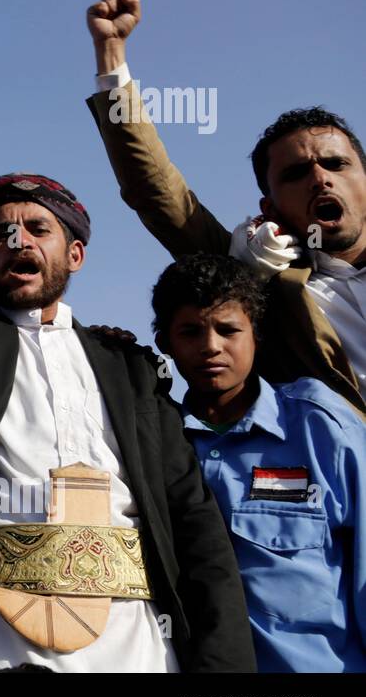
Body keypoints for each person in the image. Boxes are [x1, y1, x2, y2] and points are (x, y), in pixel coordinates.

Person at [0, 25, 254, 672]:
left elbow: (195, 528)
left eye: (37, 228)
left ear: (74, 253)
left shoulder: (128, 371)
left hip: (135, 651)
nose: (17, 241)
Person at [85, 0, 366, 417]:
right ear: (268, 208)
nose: (320, 178)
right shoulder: (257, 279)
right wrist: (111, 53)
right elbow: (156, 191)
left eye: (335, 163)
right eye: (295, 173)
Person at [152, 253, 366, 671]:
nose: (211, 346)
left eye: (228, 330)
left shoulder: (319, 425)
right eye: (191, 332)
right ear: (166, 344)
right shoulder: (155, 445)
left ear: (257, 335)